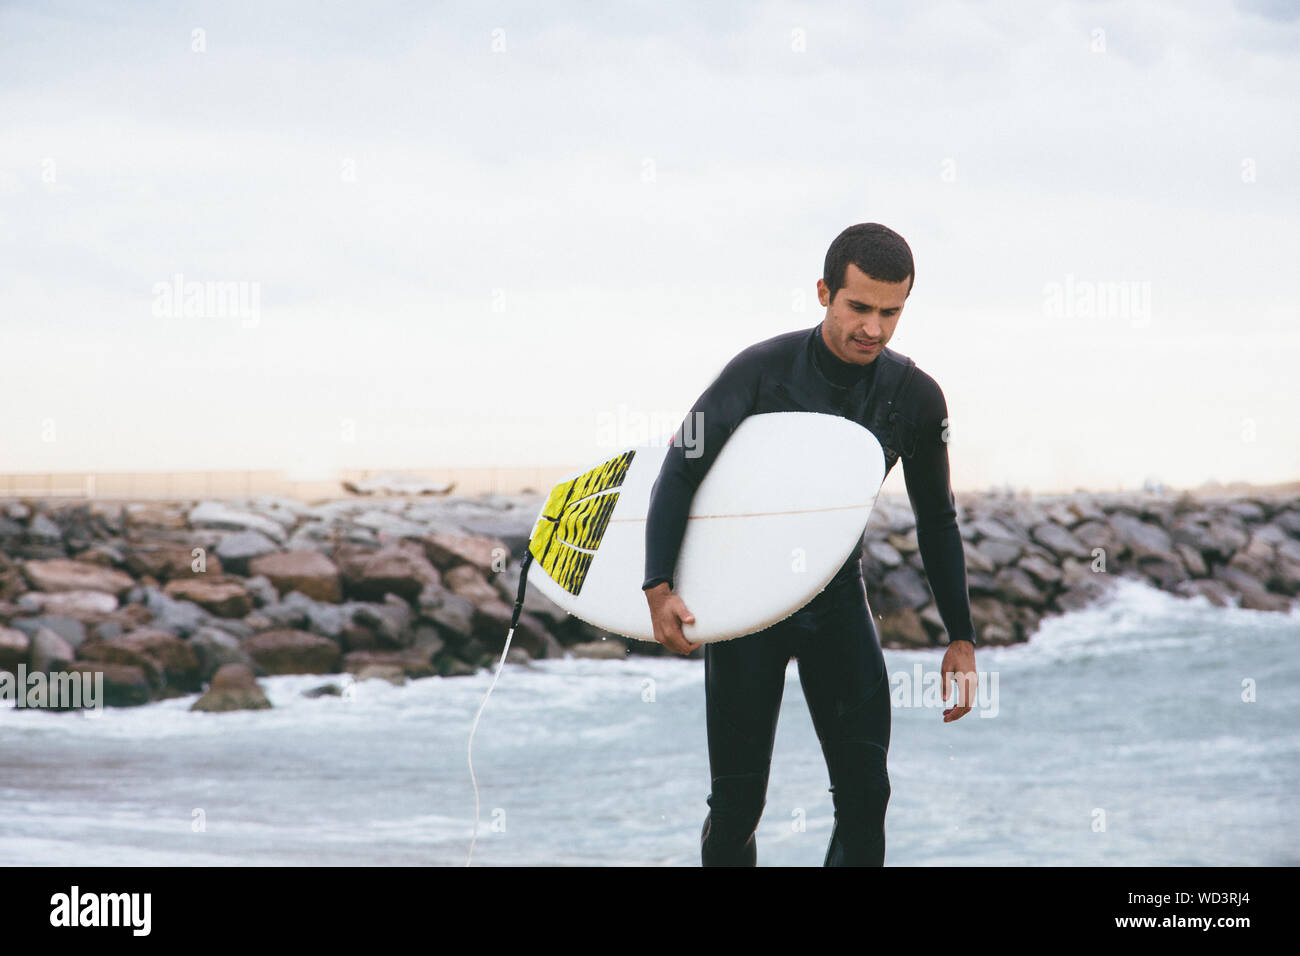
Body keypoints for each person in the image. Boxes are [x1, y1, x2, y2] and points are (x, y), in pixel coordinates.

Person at [641, 222, 979, 866]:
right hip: (748, 608)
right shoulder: (762, 371)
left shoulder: (914, 398)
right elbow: (680, 468)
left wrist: (959, 637)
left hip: (836, 605)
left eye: (891, 312)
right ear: (825, 292)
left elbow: (938, 520)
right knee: (738, 804)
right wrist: (658, 586)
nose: (873, 329)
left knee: (866, 796)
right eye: (858, 307)